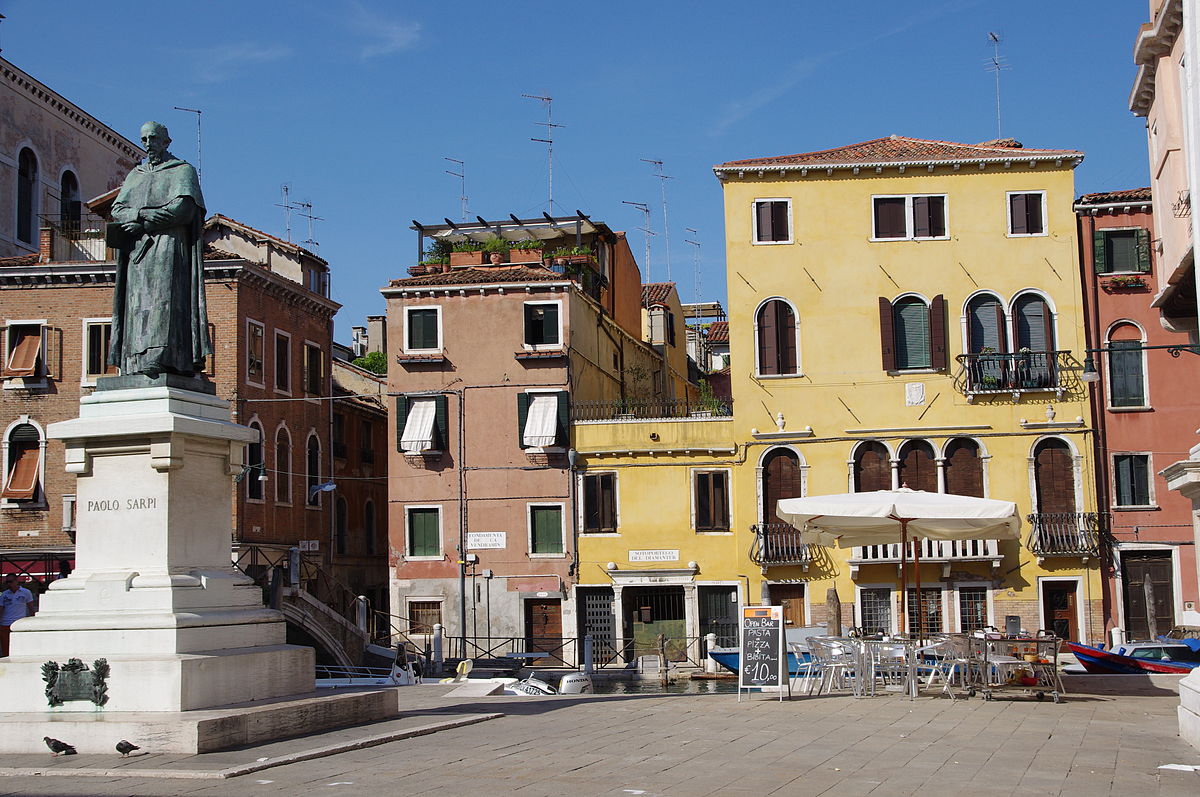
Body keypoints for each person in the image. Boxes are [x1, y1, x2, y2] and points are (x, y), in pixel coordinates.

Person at [107, 121, 211, 378]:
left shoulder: (182, 171)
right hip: (137, 251)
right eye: (144, 139)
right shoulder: (135, 175)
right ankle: (134, 359)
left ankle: (162, 356)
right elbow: (117, 210)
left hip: (168, 245)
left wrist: (142, 221)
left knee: (164, 300)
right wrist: (141, 215)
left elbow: (183, 209)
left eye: (153, 138)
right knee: (136, 303)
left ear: (167, 142)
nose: (148, 144)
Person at [0, 577, 35, 657]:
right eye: (7, 582)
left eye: (11, 581)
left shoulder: (26, 592)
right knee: (5, 648)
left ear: (16, 581)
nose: (9, 584)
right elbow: (1, 609)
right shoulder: (4, 594)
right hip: (5, 623)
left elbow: (31, 608)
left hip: (20, 623)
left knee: (20, 646)